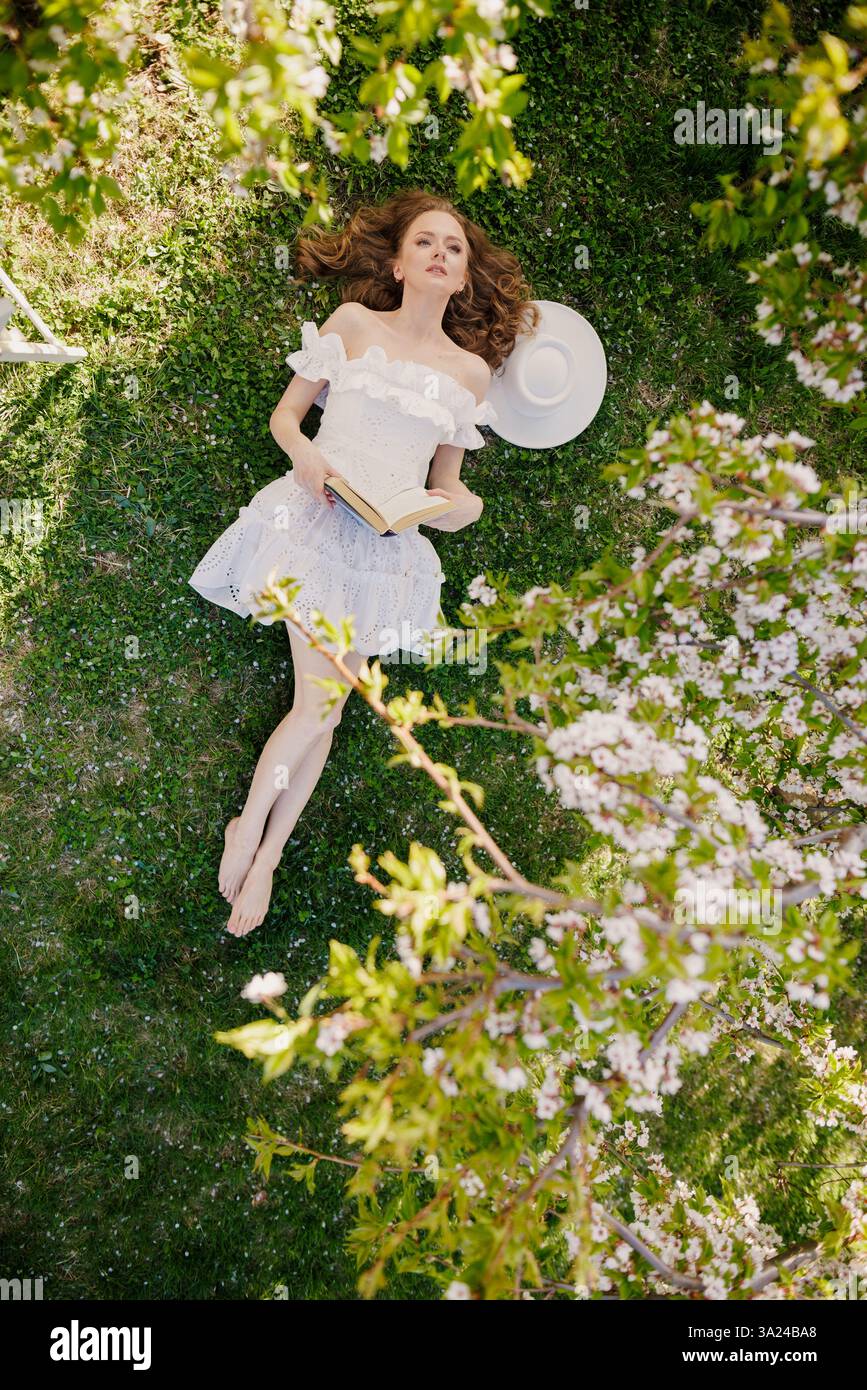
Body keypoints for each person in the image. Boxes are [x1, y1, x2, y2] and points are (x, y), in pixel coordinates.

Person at [188, 187, 540, 935]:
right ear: (400, 260)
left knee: (330, 706)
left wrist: (460, 510)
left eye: (454, 248)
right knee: (319, 705)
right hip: (310, 521)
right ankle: (251, 833)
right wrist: (310, 460)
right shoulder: (353, 325)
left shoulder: (469, 373)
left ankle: (266, 850)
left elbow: (448, 488)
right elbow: (285, 416)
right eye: (426, 242)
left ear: (464, 275)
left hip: (383, 544)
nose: (440, 254)